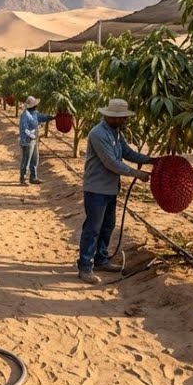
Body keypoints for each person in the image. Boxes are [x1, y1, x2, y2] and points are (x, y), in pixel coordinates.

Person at [77, 98, 153, 285]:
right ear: (111, 116)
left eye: (124, 117)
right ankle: (85, 266)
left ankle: (101, 259)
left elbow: (127, 153)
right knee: (93, 228)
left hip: (110, 188)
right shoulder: (98, 133)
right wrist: (137, 173)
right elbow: (111, 163)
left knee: (107, 225)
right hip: (96, 188)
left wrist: (151, 160)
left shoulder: (116, 133)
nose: (124, 121)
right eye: (121, 118)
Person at [18, 96, 54, 185]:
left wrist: (54, 117)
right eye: (35, 105)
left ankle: (33, 177)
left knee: (34, 159)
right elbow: (23, 128)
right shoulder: (25, 115)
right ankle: (23, 178)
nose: (36, 106)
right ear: (32, 106)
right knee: (26, 160)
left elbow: (43, 117)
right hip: (27, 141)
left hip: (34, 141)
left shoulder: (35, 113)